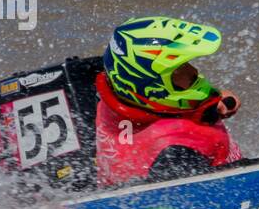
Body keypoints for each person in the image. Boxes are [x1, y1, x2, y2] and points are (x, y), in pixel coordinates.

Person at [95, 16, 242, 185]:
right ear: (153, 86)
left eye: (187, 64)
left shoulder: (114, 96)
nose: (194, 71)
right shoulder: (178, 156)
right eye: (180, 70)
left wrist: (209, 102)